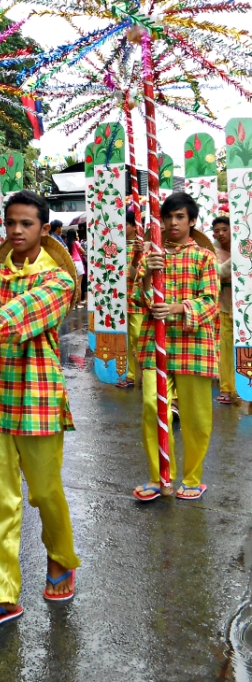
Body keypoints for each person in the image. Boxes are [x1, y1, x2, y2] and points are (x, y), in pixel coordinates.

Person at [0, 189, 80, 628]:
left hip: (37, 397)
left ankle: (61, 556)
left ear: (44, 228)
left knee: (45, 492)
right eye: (10, 223)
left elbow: (29, 311)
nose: (17, 231)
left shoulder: (58, 280)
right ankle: (2, 594)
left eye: (26, 223)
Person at [133, 193, 219, 502]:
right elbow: (138, 300)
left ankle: (193, 477)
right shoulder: (151, 256)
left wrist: (177, 308)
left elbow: (210, 302)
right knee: (152, 409)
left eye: (180, 216)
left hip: (194, 346)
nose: (173, 222)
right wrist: (146, 276)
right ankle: (159, 477)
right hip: (155, 344)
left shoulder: (204, 257)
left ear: (192, 221)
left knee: (196, 417)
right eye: (167, 216)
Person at [116, 209, 144, 389]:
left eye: (125, 224)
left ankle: (147, 374)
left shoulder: (142, 247)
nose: (121, 228)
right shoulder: (115, 246)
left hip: (137, 301)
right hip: (120, 301)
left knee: (138, 338)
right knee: (125, 339)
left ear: (134, 226)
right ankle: (131, 375)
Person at [212, 215, 235, 404]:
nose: (220, 233)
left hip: (246, 308)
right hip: (226, 307)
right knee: (226, 349)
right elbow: (218, 273)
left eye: (224, 229)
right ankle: (227, 388)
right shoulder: (213, 252)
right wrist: (239, 259)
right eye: (217, 231)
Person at [66, 228, 86, 307]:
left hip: (71, 263)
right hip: (78, 263)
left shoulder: (67, 244)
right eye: (76, 233)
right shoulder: (76, 242)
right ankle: (79, 303)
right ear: (74, 235)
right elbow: (83, 252)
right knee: (79, 284)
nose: (77, 234)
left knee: (72, 284)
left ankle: (72, 305)